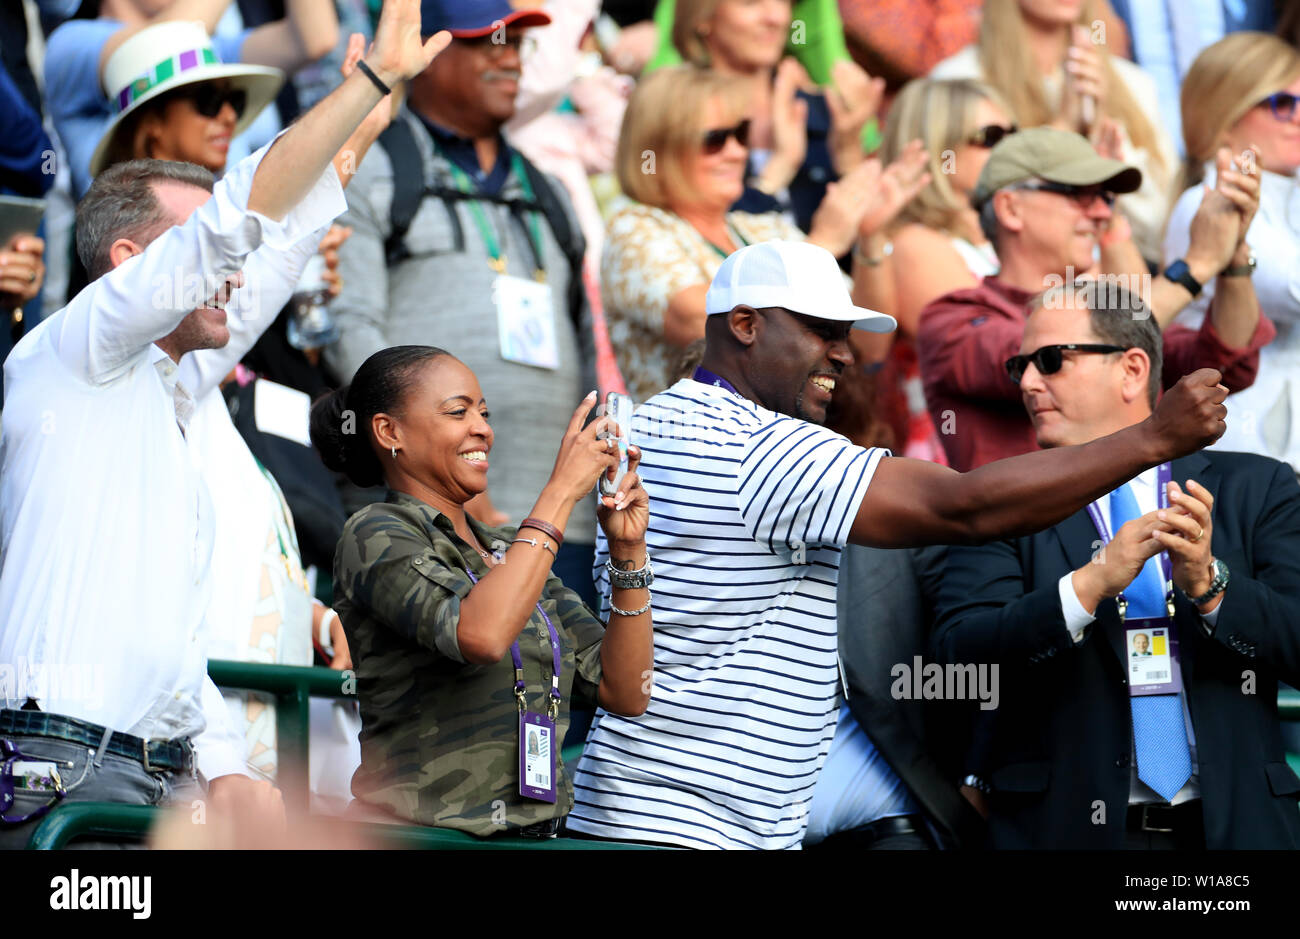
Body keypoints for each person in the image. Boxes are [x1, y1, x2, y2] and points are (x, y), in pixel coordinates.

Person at [566, 239, 1231, 850]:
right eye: (820, 331)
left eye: (845, 335)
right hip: (696, 826)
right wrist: (1151, 441)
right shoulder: (759, 448)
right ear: (745, 325)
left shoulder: (642, 425)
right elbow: (966, 507)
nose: (844, 354)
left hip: (629, 805)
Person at [0, 0, 449, 847]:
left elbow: (271, 247)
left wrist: (226, 762)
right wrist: (367, 81)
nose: (231, 275)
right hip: (57, 774)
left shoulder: (167, 390)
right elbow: (235, 226)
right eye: (202, 254)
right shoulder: (74, 349)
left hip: (151, 778)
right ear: (135, 266)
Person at [930, 284, 1300, 849]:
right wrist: (1085, 588)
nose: (1029, 383)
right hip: (1067, 833)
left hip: (1235, 830)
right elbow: (959, 659)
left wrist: (1210, 586)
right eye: (1019, 366)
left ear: (1132, 370)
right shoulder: (1002, 497)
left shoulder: (1257, 485)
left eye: (1051, 360)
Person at [313, 346, 653, 836]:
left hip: (535, 838)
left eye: (485, 413)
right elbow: (482, 635)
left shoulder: (511, 547)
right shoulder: (375, 532)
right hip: (419, 840)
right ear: (390, 432)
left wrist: (627, 553)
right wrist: (558, 494)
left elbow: (624, 689)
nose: (483, 429)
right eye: (459, 411)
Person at [327, 0, 602, 602]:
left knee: (565, 693)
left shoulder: (548, 189)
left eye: (516, 45)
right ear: (428, 55)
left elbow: (586, 348)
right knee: (470, 691)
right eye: (488, 43)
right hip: (430, 522)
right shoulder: (377, 170)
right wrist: (451, 487)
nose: (509, 58)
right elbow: (350, 328)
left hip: (566, 521)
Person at [917, 126, 1273, 471]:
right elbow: (1071, 345)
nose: (1103, 213)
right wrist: (1198, 263)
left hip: (1148, 523)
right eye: (1077, 193)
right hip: (1031, 530)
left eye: (1105, 197)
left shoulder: (1109, 301)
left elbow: (1222, 363)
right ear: (1011, 208)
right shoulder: (952, 318)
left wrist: (1234, 257)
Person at [601, 65, 927, 403]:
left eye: (741, 133)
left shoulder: (763, 226)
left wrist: (871, 235)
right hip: (696, 448)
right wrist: (824, 243)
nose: (737, 151)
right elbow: (707, 324)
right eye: (714, 139)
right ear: (658, 148)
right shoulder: (635, 227)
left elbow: (865, 347)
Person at [930, 0, 1176, 264]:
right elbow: (954, 201)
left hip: (1118, 278)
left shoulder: (1134, 83)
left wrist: (1103, 133)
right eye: (993, 136)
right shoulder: (958, 80)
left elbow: (1160, 229)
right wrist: (1063, 128)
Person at [858, 77, 1015, 461]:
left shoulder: (1002, 227)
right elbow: (995, 350)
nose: (1009, 148)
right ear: (939, 146)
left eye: (1013, 134)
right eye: (990, 136)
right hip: (961, 451)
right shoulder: (916, 243)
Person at [1164, 33, 1300, 474]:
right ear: (1224, 112)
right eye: (1283, 102)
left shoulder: (1287, 196)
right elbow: (1293, 287)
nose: (1297, 117)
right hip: (1238, 453)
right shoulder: (1205, 201)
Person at [662, 0, 880, 236]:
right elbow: (692, 246)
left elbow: (862, 248)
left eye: (782, 1)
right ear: (703, 16)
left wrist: (849, 155)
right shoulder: (674, 120)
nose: (775, 17)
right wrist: (775, 172)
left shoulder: (823, 110)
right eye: (751, 3)